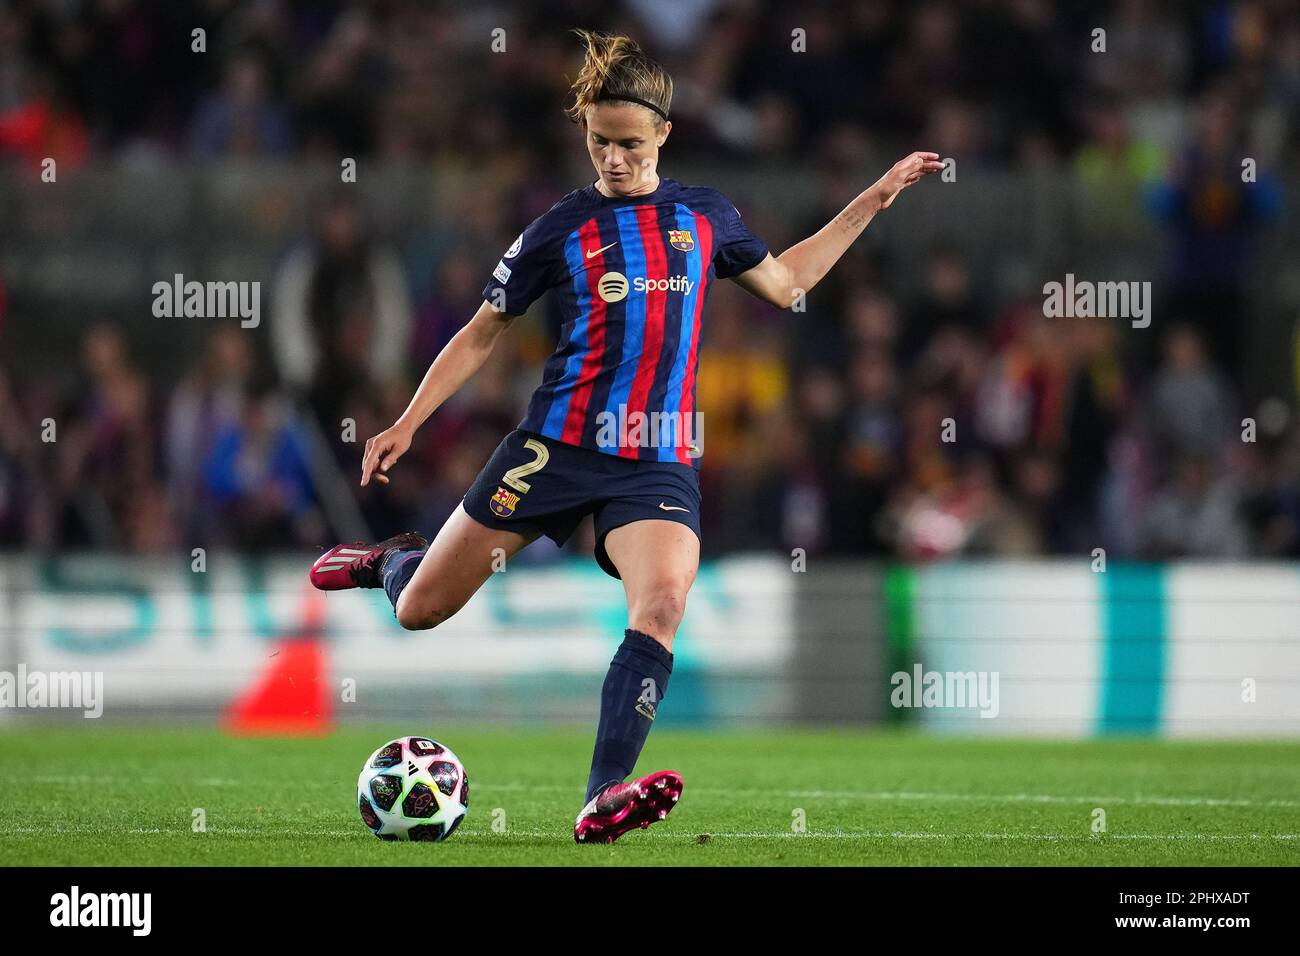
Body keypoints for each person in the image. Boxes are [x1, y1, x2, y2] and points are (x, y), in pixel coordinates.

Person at [309, 30, 940, 843]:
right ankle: (390, 564)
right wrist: (407, 421)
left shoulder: (703, 216)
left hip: (656, 461)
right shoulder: (558, 228)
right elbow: (481, 332)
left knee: (663, 604)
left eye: (629, 144)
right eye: (599, 141)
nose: (612, 158)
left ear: (663, 135)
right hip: (555, 450)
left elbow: (788, 284)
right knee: (420, 611)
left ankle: (603, 794)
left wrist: (876, 196)